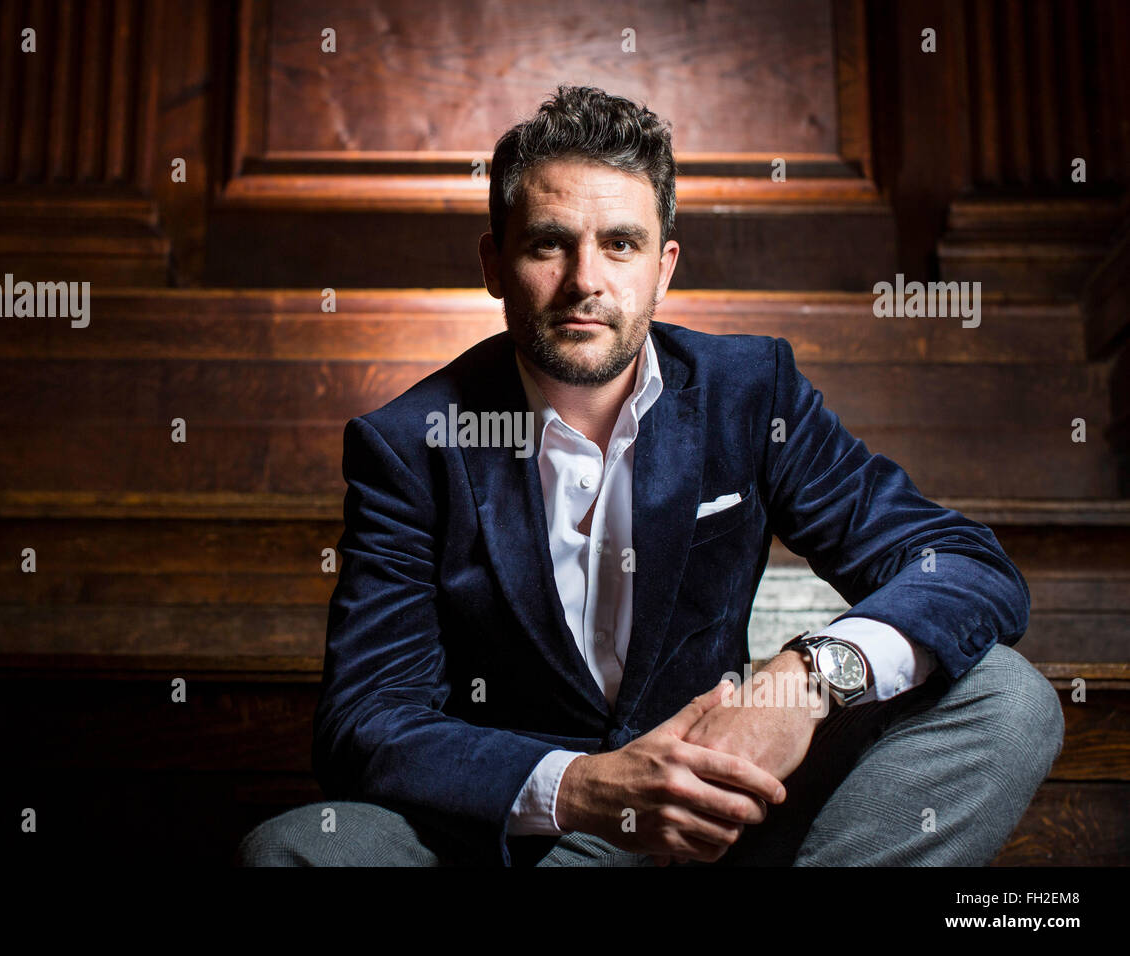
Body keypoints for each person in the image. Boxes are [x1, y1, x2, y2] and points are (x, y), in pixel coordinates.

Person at [236, 85, 1064, 867]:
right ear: (495, 264)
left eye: (620, 244)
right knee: (299, 850)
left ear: (664, 267)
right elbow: (365, 722)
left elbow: (961, 566)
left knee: (1006, 699)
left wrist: (806, 680)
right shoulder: (410, 444)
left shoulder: (751, 392)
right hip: (526, 835)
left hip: (721, 819)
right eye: (548, 243)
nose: (585, 281)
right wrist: (583, 786)